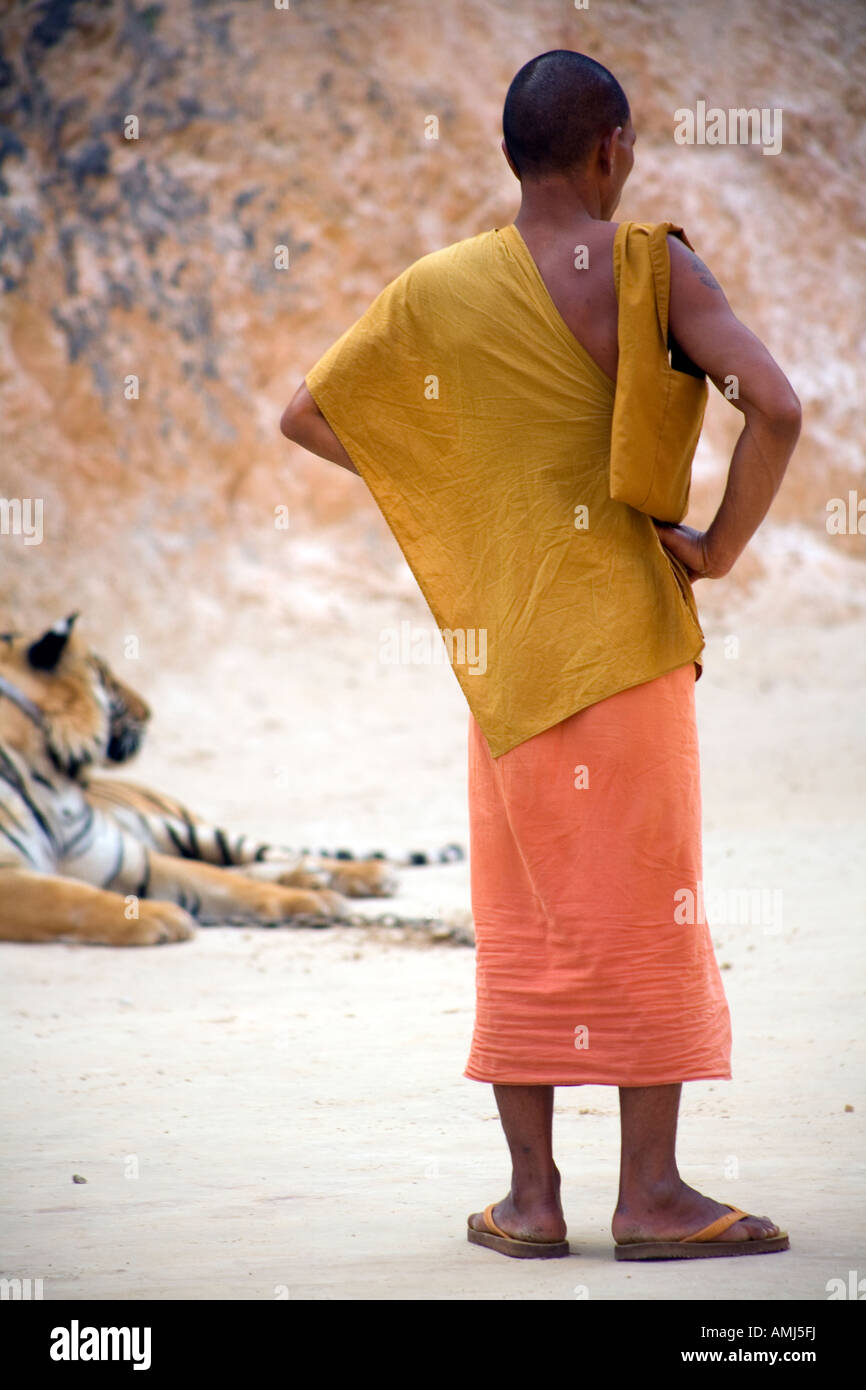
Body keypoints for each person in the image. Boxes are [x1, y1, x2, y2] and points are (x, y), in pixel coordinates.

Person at [280, 50, 801, 1260]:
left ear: (513, 154)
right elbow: (772, 406)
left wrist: (468, 490)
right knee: (643, 908)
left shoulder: (435, 289)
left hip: (503, 652)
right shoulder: (643, 265)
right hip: (621, 639)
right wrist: (716, 547)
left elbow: (308, 414)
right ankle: (652, 1197)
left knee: (524, 915)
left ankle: (528, 1201)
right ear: (609, 148)